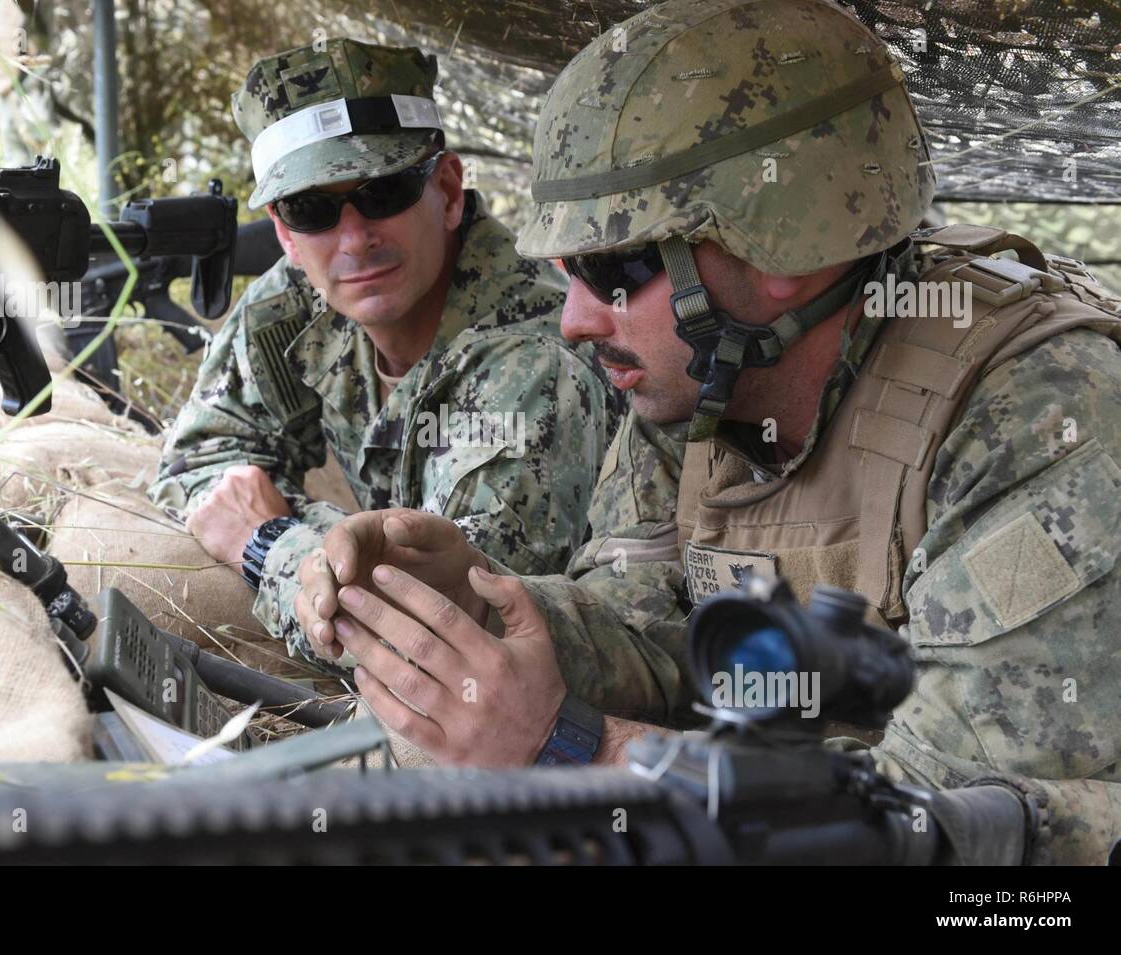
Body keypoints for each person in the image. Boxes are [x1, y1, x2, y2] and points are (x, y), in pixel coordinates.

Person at [292, 0, 1121, 863]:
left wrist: (574, 748)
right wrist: (478, 607)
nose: (574, 320)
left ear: (782, 254)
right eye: (569, 273)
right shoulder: (703, 381)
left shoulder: (1040, 416)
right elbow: (650, 626)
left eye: (616, 269)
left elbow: (941, 827)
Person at [150, 38, 621, 671]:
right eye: (311, 208)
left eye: (384, 192)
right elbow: (198, 462)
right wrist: (334, 543)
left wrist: (269, 542)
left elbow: (451, 642)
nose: (354, 238)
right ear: (285, 232)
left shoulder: (535, 360)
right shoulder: (295, 302)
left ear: (448, 191)